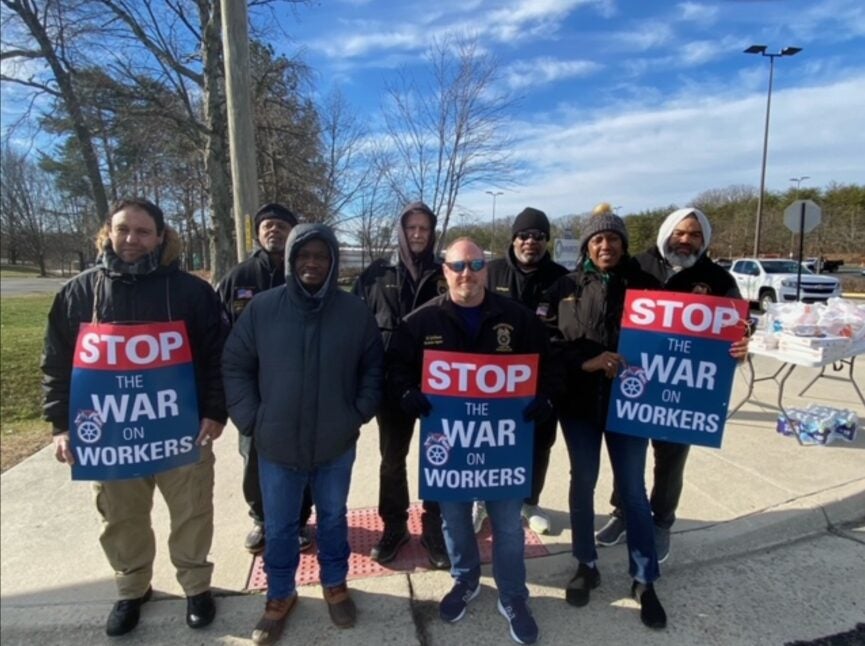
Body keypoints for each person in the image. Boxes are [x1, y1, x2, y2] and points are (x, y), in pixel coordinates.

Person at [42, 198, 228, 637]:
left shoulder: (190, 292)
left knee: (192, 512)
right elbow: (55, 364)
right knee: (121, 517)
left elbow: (218, 357)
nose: (132, 239)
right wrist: (60, 425)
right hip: (109, 435)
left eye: (143, 232)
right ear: (108, 231)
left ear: (161, 237)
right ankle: (132, 590)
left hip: (181, 431)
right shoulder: (79, 293)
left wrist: (216, 412)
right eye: (123, 229)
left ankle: (196, 587)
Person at [387, 238, 559, 645]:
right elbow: (395, 367)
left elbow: (550, 366)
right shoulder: (419, 322)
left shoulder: (517, 319)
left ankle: (514, 595)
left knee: (508, 527)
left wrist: (546, 396)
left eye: (476, 264)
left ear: (487, 270)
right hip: (450, 445)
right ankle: (465, 580)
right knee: (455, 520)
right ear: (444, 271)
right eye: (458, 265)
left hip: (503, 445)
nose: (467, 272)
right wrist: (407, 392)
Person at [222, 223, 383, 645]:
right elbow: (235, 364)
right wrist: (252, 420)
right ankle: (279, 595)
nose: (312, 263)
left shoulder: (353, 311)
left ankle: (335, 585)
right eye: (303, 256)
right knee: (278, 527)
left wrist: (358, 414)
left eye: (321, 256)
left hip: (335, 442)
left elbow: (373, 367)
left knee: (332, 519)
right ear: (291, 261)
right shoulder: (263, 309)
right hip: (276, 444)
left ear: (332, 262)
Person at [595, 207, 747, 562]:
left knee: (671, 459)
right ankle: (623, 512)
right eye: (680, 232)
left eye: (695, 235)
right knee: (628, 457)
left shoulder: (718, 279)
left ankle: (661, 521)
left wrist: (742, 347)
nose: (686, 240)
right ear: (667, 233)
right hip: (637, 381)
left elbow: (740, 328)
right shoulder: (636, 267)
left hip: (684, 388)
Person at [544, 211, 669, 629]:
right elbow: (550, 346)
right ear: (586, 246)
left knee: (633, 491)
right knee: (583, 482)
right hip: (580, 406)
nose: (605, 246)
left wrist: (732, 344)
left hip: (632, 406)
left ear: (623, 244)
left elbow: (679, 342)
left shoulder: (648, 286)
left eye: (613, 239)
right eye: (597, 240)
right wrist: (588, 361)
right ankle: (586, 564)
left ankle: (644, 578)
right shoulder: (564, 288)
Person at [352, 201, 449, 568]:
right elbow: (358, 330)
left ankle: (434, 526)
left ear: (433, 232)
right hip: (392, 386)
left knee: (438, 458)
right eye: (412, 228)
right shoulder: (376, 275)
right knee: (392, 460)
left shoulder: (446, 274)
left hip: (439, 386)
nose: (418, 234)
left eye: (424, 228)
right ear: (402, 231)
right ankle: (394, 525)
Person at [216, 203, 314, 555]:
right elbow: (219, 336)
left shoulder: (307, 274)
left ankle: (299, 521)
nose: (274, 231)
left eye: (282, 226)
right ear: (257, 233)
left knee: (301, 455)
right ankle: (261, 518)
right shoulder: (238, 278)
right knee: (254, 456)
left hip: (300, 387)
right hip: (253, 390)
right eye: (267, 226)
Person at [485, 206, 568, 536]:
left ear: (546, 241)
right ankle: (481, 498)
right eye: (524, 235)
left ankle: (529, 502)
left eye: (538, 236)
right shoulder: (490, 273)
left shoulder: (562, 279)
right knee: (488, 441)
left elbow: (566, 334)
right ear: (513, 238)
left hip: (540, 379)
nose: (530, 241)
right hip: (492, 379)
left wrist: (549, 390)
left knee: (539, 443)